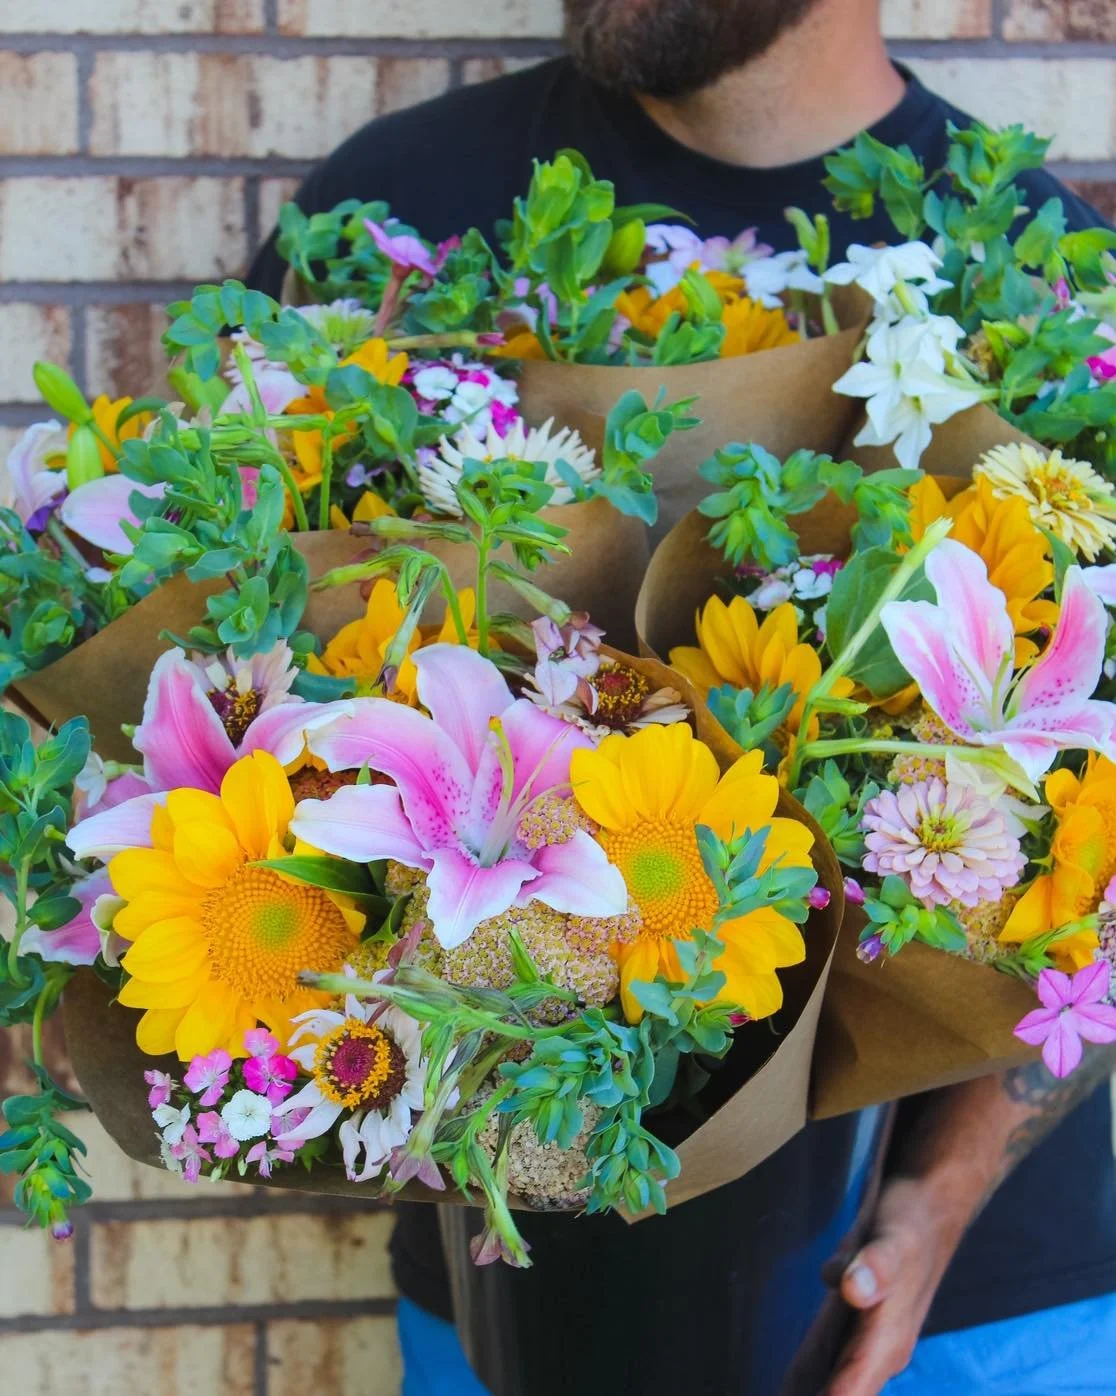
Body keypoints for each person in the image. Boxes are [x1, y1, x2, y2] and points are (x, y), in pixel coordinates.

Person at [247, 2, 1116, 1392]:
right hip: (522, 1268)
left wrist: (950, 1182)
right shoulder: (401, 212)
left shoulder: (1024, 251)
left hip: (980, 1303)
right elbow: (254, 707)